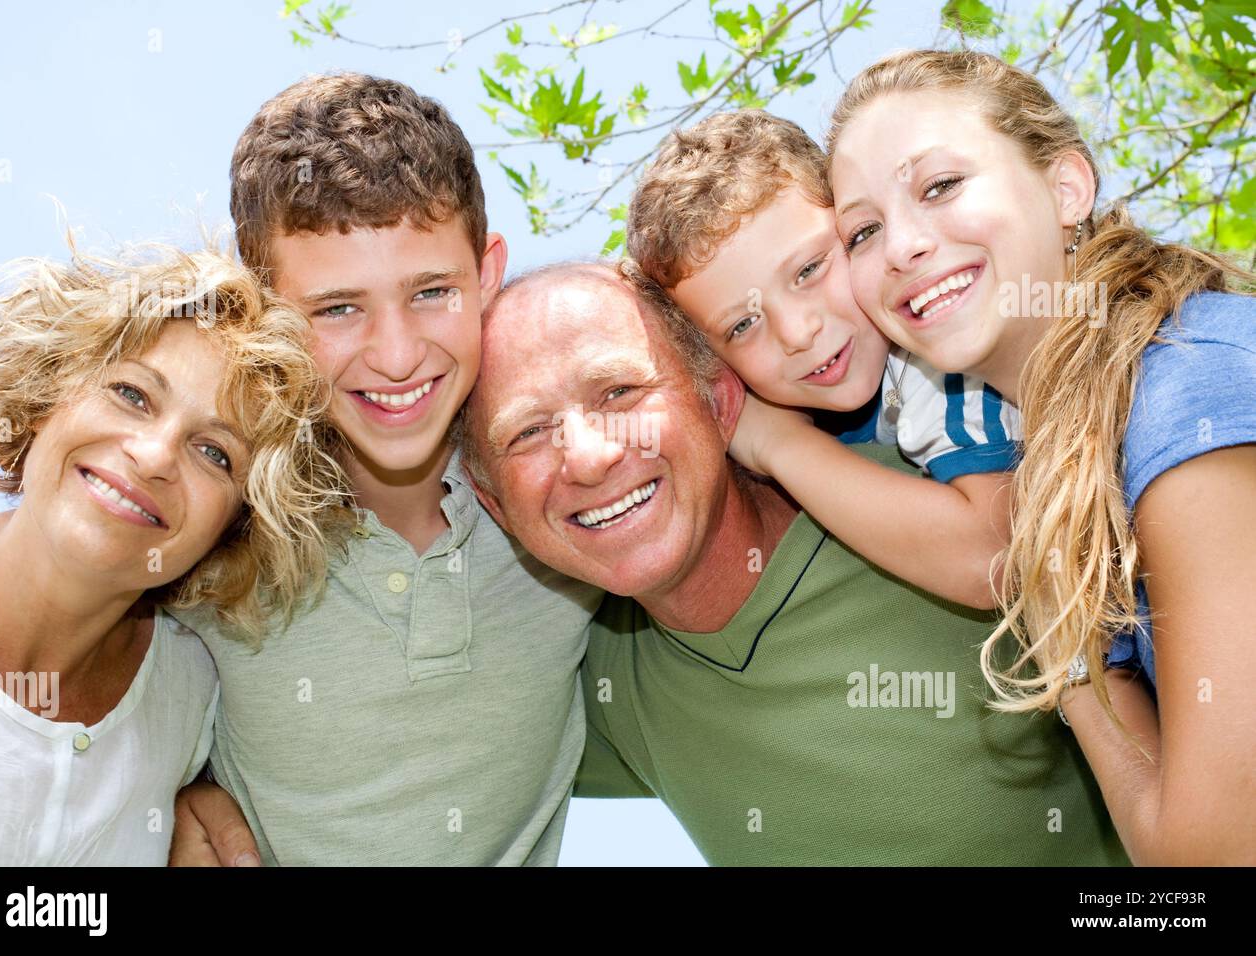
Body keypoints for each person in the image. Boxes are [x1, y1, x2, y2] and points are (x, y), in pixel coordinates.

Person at [460, 259, 1128, 865]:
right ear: (495, 508)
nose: (588, 456)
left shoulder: (941, 515)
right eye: (527, 433)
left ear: (721, 404)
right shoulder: (586, 687)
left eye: (619, 392)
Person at [825, 48, 1256, 864]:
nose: (904, 245)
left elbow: (1207, 863)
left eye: (941, 186)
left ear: (1067, 188)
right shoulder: (1087, 445)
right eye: (863, 231)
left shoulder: (1188, 388)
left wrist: (1069, 649)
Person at [168, 72, 602, 867]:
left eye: (432, 291)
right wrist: (176, 790)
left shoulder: (566, 491)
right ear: (261, 309)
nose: (397, 356)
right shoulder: (217, 519)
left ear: (488, 273)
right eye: (337, 308)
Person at [0, 241, 348, 864]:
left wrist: (199, 797)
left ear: (232, 530)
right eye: (132, 394)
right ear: (45, 395)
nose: (155, 455)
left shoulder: (192, 698)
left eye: (215, 453)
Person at [626, 110, 1018, 610]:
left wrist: (776, 442)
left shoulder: (939, 357)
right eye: (742, 326)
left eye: (809, 269)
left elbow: (993, 560)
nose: (797, 332)